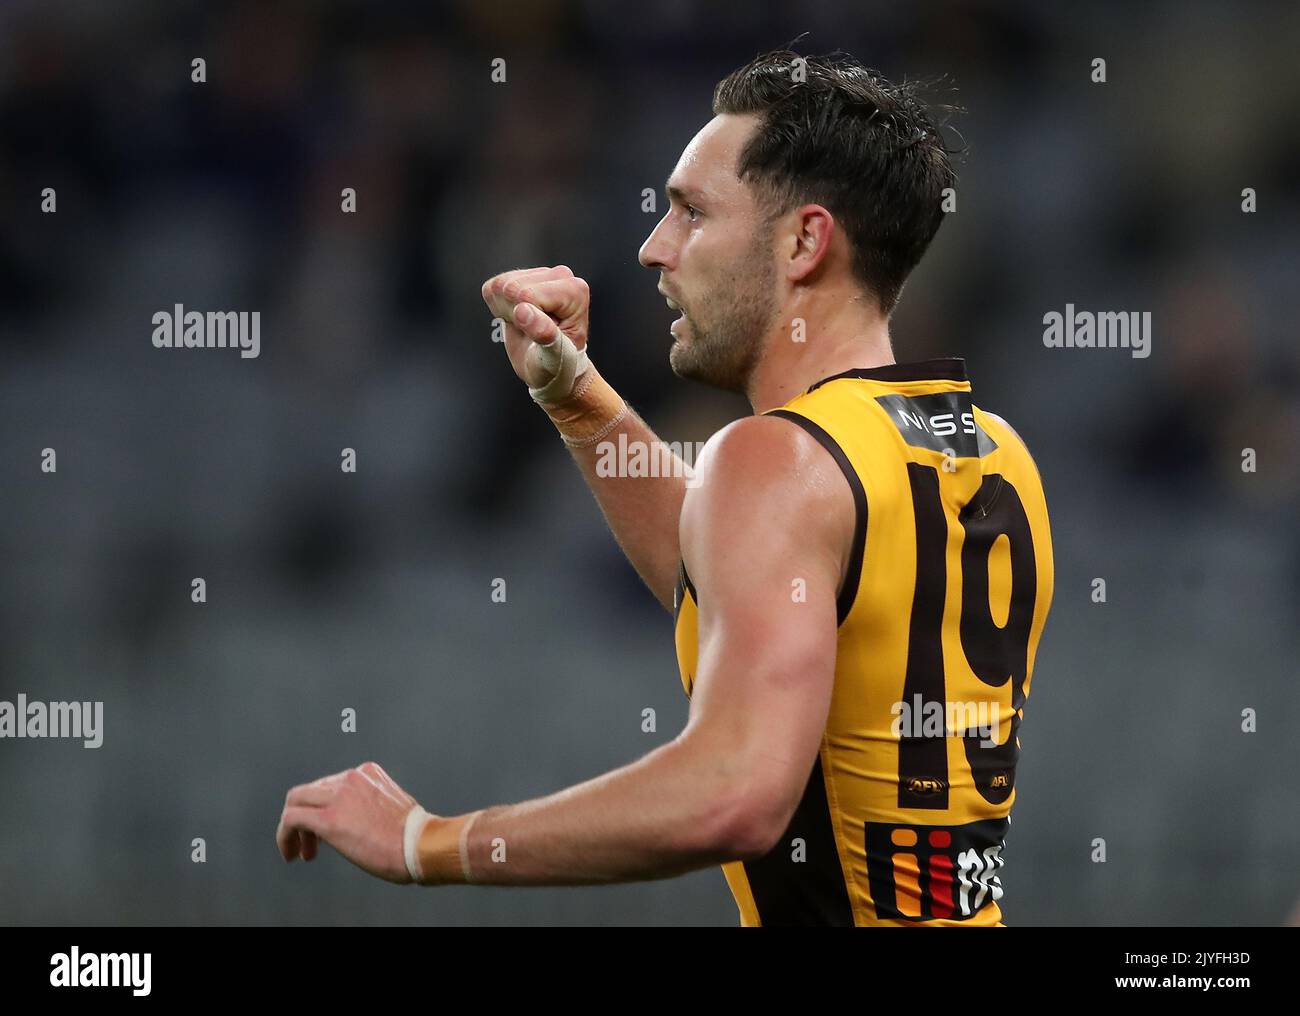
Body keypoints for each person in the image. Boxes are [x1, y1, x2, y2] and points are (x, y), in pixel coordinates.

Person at [275, 48, 1054, 926]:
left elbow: (736, 795)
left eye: (690, 213)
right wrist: (577, 398)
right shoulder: (995, 455)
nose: (653, 248)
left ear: (805, 241)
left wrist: (429, 841)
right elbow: (744, 577)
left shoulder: (769, 460)